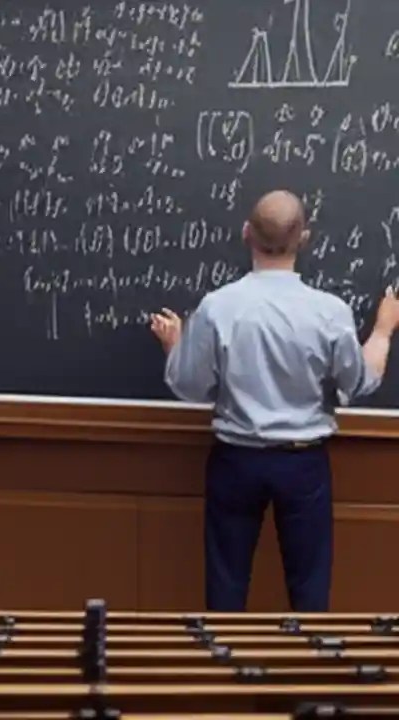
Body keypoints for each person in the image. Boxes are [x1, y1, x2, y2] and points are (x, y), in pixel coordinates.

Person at [150, 189, 399, 612]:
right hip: (303, 463)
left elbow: (189, 387)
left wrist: (175, 347)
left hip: (236, 460)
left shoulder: (218, 307)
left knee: (226, 585)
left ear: (247, 233)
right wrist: (383, 331)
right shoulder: (329, 312)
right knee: (309, 586)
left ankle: (221, 670)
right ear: (304, 238)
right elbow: (358, 383)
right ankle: (307, 669)